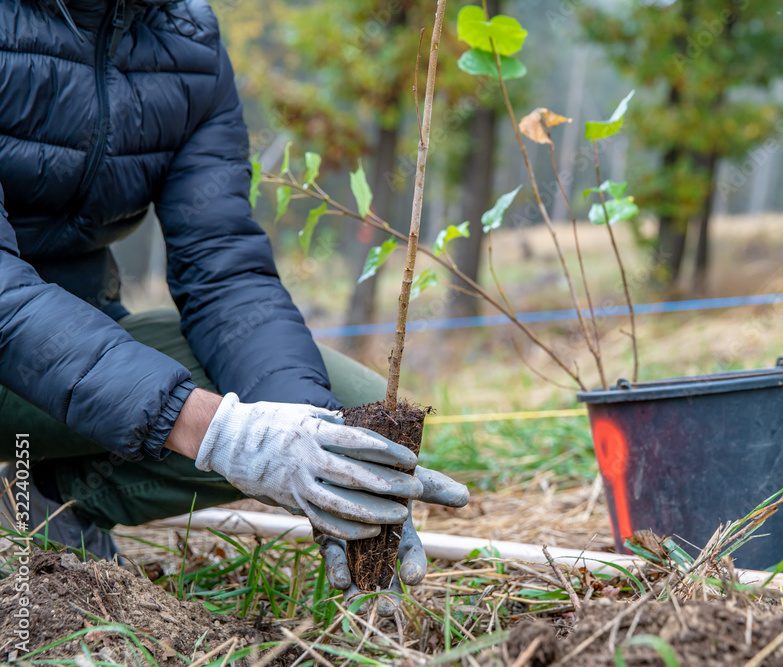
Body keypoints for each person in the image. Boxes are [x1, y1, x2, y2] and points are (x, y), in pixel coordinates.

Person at [0, 0, 467, 613]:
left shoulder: (185, 41)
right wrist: (216, 433)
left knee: (350, 413)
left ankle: (47, 496)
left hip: (73, 338)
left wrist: (312, 441)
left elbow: (222, 267)